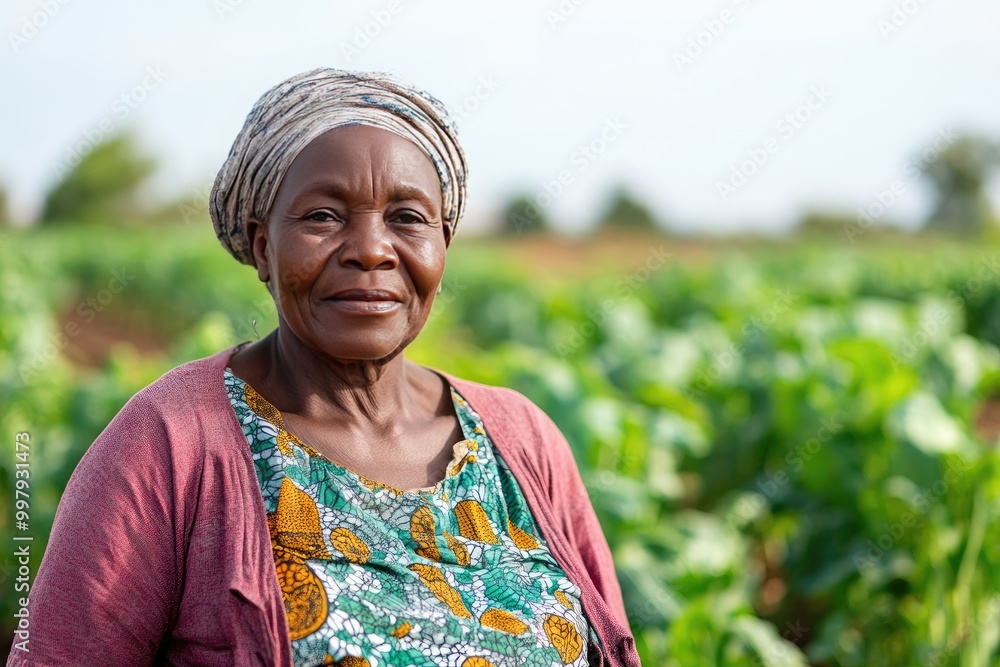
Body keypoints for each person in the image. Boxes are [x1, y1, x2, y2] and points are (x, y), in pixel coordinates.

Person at [8, 68, 639, 667]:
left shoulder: (522, 439)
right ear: (262, 246)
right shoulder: (171, 443)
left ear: (442, 244)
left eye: (408, 219)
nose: (370, 250)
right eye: (322, 217)